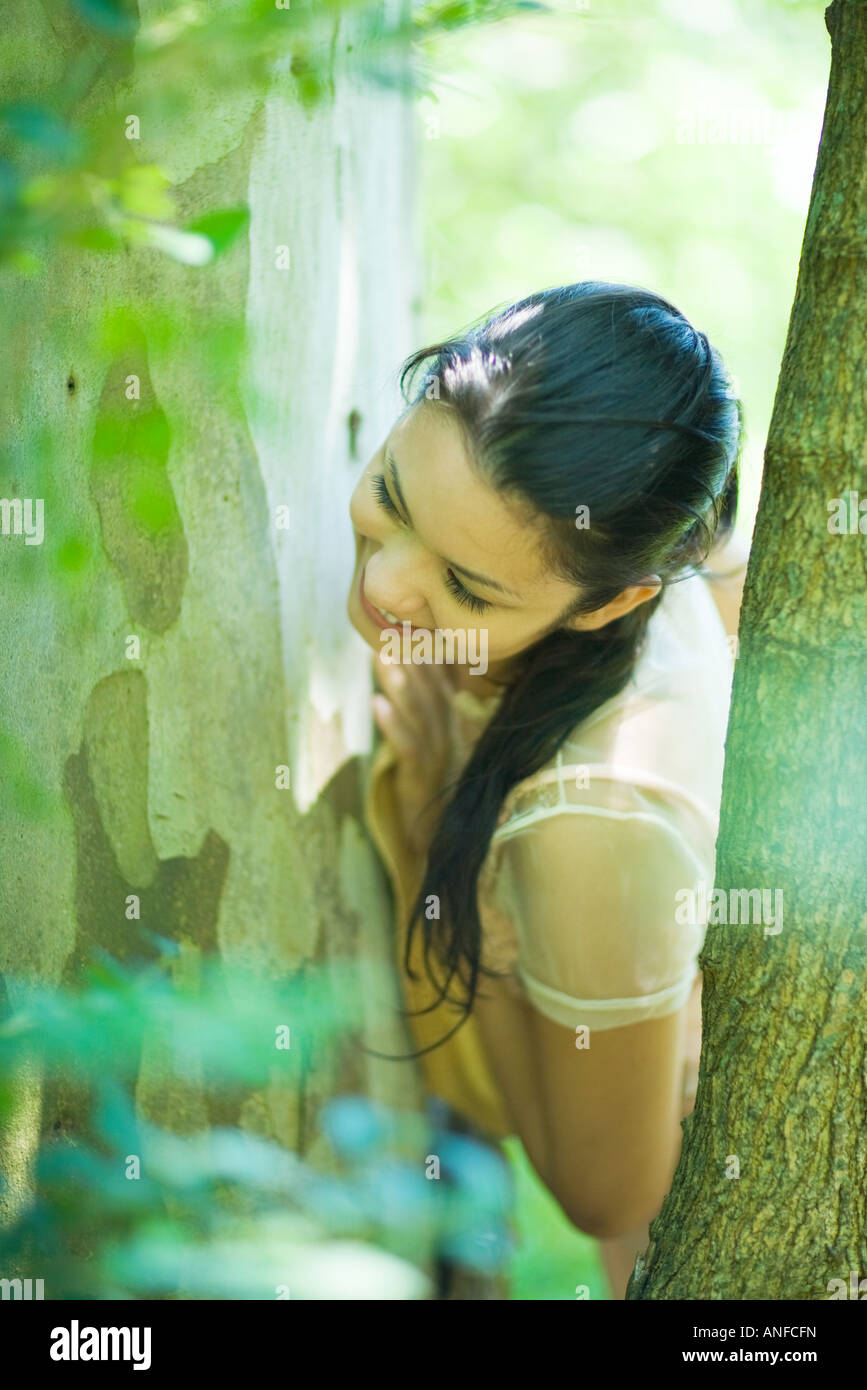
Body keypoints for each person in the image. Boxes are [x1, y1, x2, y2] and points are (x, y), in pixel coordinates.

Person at [346, 281, 748, 1298]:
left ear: (612, 601)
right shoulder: (658, 541)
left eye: (467, 589)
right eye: (393, 497)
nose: (390, 585)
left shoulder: (594, 821)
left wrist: (439, 802)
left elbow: (607, 1195)